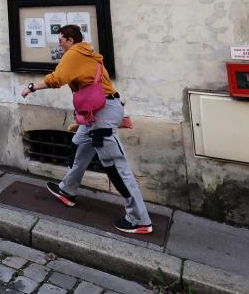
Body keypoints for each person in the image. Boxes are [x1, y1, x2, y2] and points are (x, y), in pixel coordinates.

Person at [21, 24, 153, 235]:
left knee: (116, 167)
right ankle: (68, 189)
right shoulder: (88, 53)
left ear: (70, 39)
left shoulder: (74, 54)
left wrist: (31, 88)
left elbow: (58, 79)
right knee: (79, 145)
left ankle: (139, 219)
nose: (59, 44)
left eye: (61, 40)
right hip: (99, 112)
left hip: (101, 115)